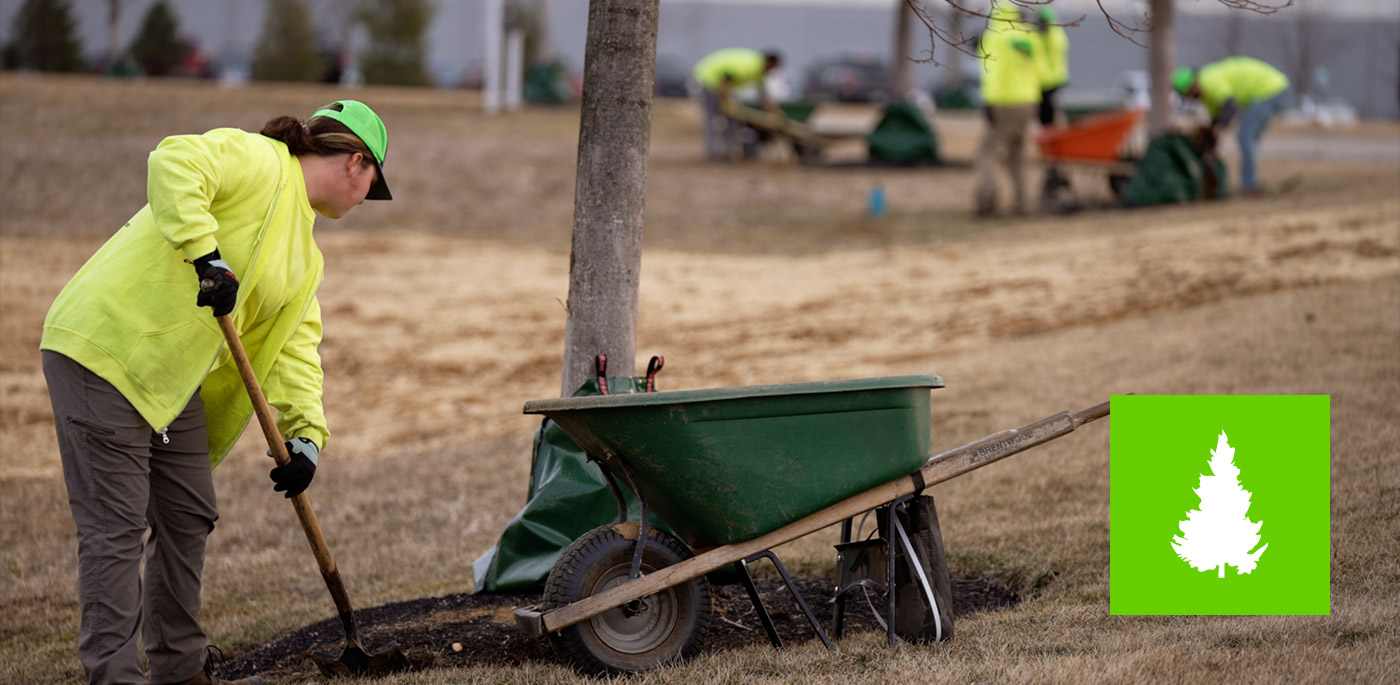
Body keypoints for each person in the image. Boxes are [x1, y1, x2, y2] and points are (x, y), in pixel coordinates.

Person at [41, 100, 392, 685]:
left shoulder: (306, 258)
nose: (365, 200)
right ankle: (116, 675)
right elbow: (174, 161)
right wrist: (207, 256)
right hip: (105, 350)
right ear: (356, 162)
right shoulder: (259, 159)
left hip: (176, 384)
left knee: (189, 515)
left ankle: (180, 670)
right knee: (117, 529)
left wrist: (305, 436)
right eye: (373, 185)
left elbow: (296, 347)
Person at [1173, 57, 1291, 194]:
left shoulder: (1208, 81)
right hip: (1266, 92)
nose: (1190, 98)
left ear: (1192, 85)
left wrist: (1221, 126)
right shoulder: (1206, 96)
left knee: (1245, 136)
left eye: (1189, 94)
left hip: (1272, 89)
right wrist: (1210, 150)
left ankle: (1250, 185)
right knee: (1248, 138)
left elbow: (1231, 107)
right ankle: (1251, 181)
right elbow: (1215, 123)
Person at [974, 2, 1041, 216]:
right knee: (1017, 153)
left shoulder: (995, 36)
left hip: (1005, 101)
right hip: (1029, 101)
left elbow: (991, 71)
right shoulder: (1029, 37)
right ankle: (1023, 202)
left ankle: (988, 199)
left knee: (987, 153)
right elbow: (1039, 70)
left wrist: (990, 101)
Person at [690, 47, 783, 160]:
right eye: (773, 67)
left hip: (720, 85)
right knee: (713, 118)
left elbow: (762, 93)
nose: (772, 71)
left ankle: (730, 151)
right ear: (770, 62)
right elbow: (725, 79)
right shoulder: (750, 65)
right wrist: (725, 101)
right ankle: (713, 153)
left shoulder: (759, 71)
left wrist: (773, 109)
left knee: (731, 118)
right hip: (708, 79)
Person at [1031, 5, 1069, 127]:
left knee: (1047, 116)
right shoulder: (1056, 33)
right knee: (1047, 116)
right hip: (1053, 79)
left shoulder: (1052, 35)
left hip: (1050, 81)